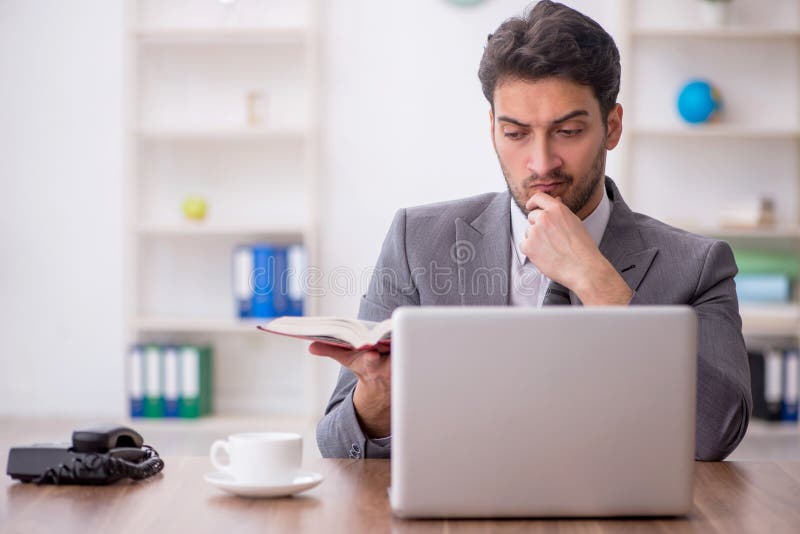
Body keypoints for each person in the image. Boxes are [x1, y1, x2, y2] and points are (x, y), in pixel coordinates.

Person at [312, 0, 751, 461]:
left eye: (567, 131)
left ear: (611, 126)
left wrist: (596, 281)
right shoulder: (416, 241)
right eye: (516, 133)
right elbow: (337, 447)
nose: (541, 163)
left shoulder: (698, 267)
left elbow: (715, 435)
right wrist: (378, 398)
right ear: (493, 130)